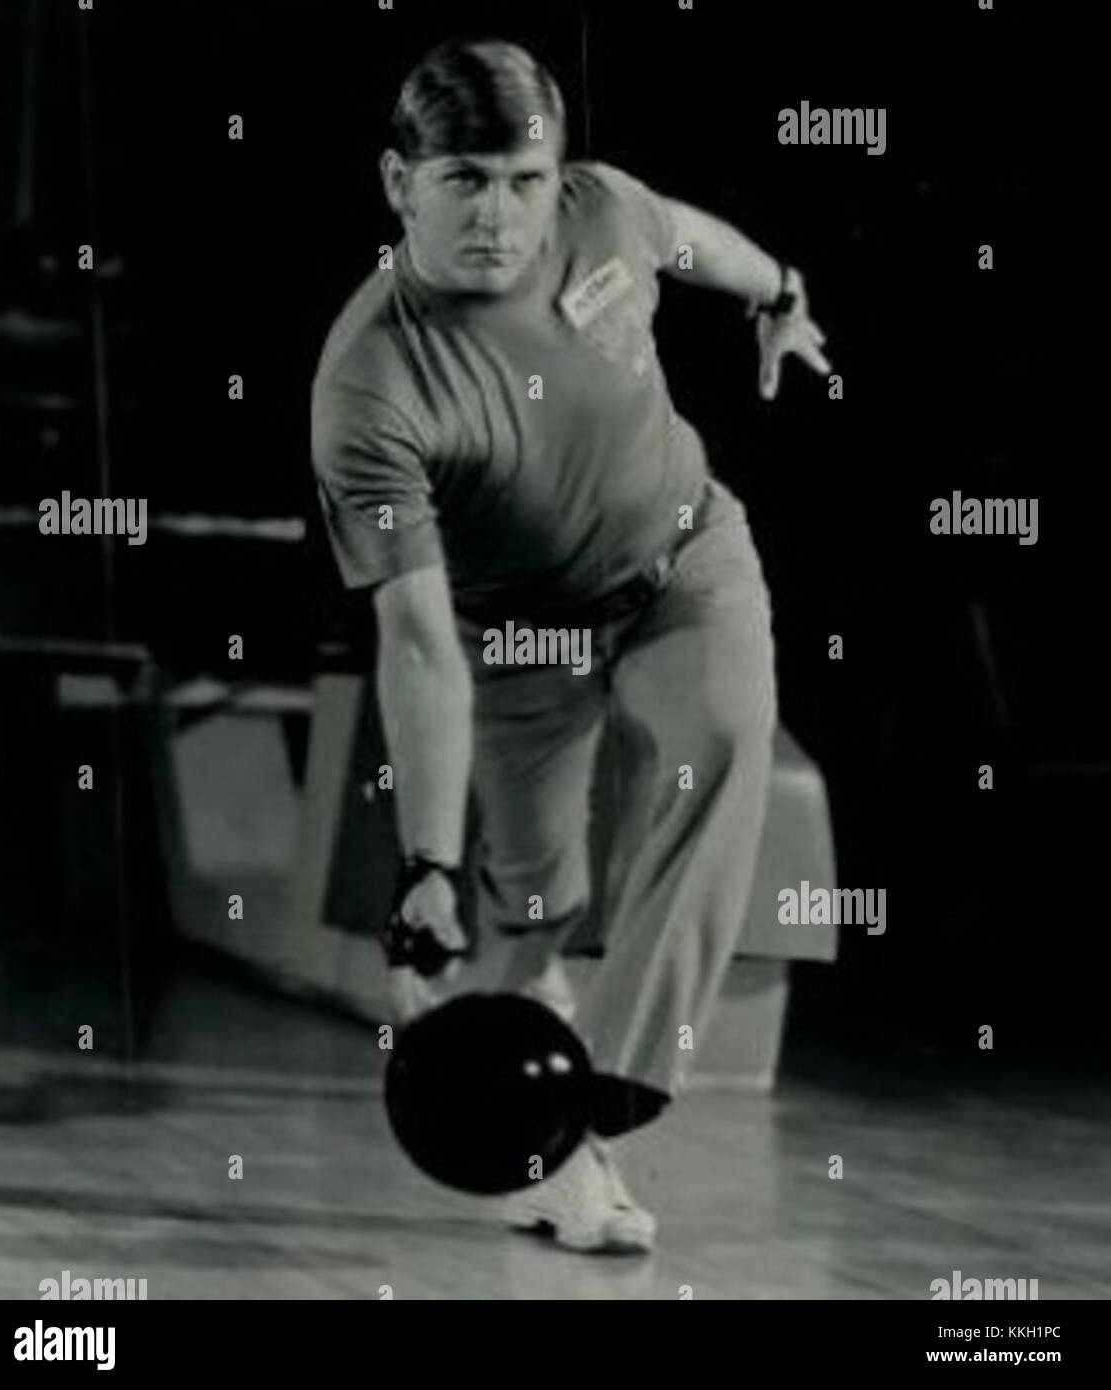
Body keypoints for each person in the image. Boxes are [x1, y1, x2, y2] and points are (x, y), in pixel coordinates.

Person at [311, 37, 830, 1253]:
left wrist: (781, 292)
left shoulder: (603, 213)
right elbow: (422, 642)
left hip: (682, 569)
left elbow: (699, 242)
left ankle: (610, 1090)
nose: (501, 215)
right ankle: (548, 1153)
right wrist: (426, 865)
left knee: (721, 737)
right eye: (466, 181)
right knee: (533, 905)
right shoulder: (371, 385)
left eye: (525, 180)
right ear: (401, 183)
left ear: (560, 178)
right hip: (515, 641)